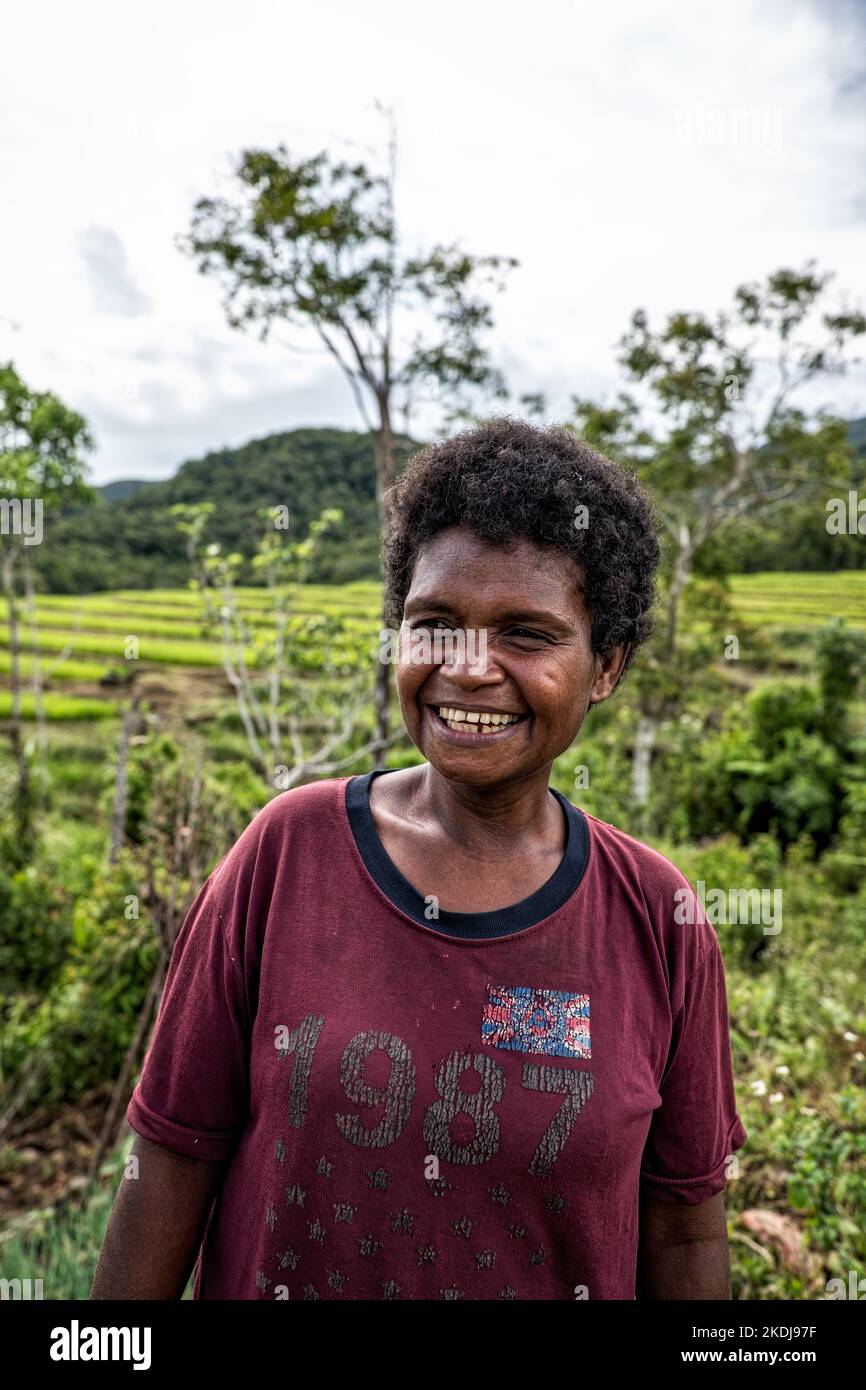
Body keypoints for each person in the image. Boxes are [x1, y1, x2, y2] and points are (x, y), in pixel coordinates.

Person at [92, 417, 746, 1301]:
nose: (468, 669)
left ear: (606, 666)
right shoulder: (287, 854)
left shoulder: (656, 916)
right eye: (434, 623)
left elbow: (685, 1230)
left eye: (527, 634)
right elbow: (170, 1159)